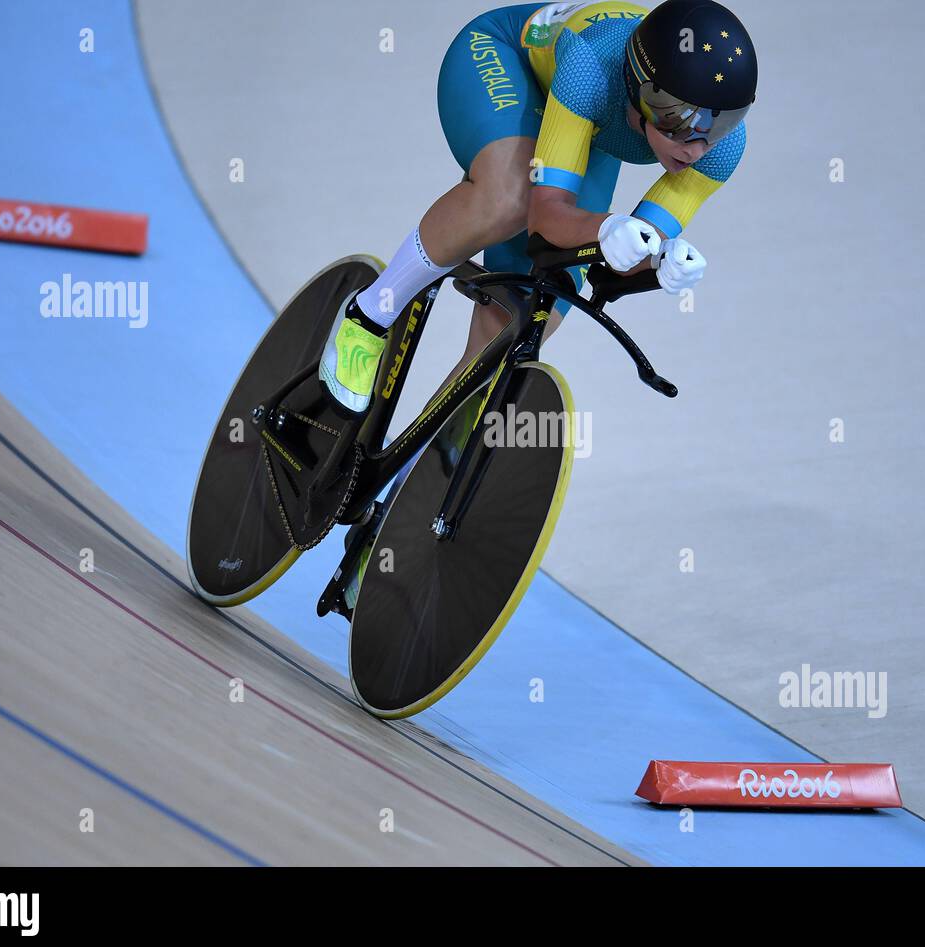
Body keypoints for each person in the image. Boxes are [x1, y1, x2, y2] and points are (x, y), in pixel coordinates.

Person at [313, 0, 758, 595]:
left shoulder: (719, 147)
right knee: (507, 199)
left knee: (536, 309)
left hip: (589, 129)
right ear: (648, 92)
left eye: (719, 124)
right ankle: (370, 315)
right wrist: (604, 228)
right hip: (506, 63)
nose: (699, 147)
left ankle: (391, 512)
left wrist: (659, 262)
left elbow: (621, 252)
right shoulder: (590, 69)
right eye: (681, 121)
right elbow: (549, 220)